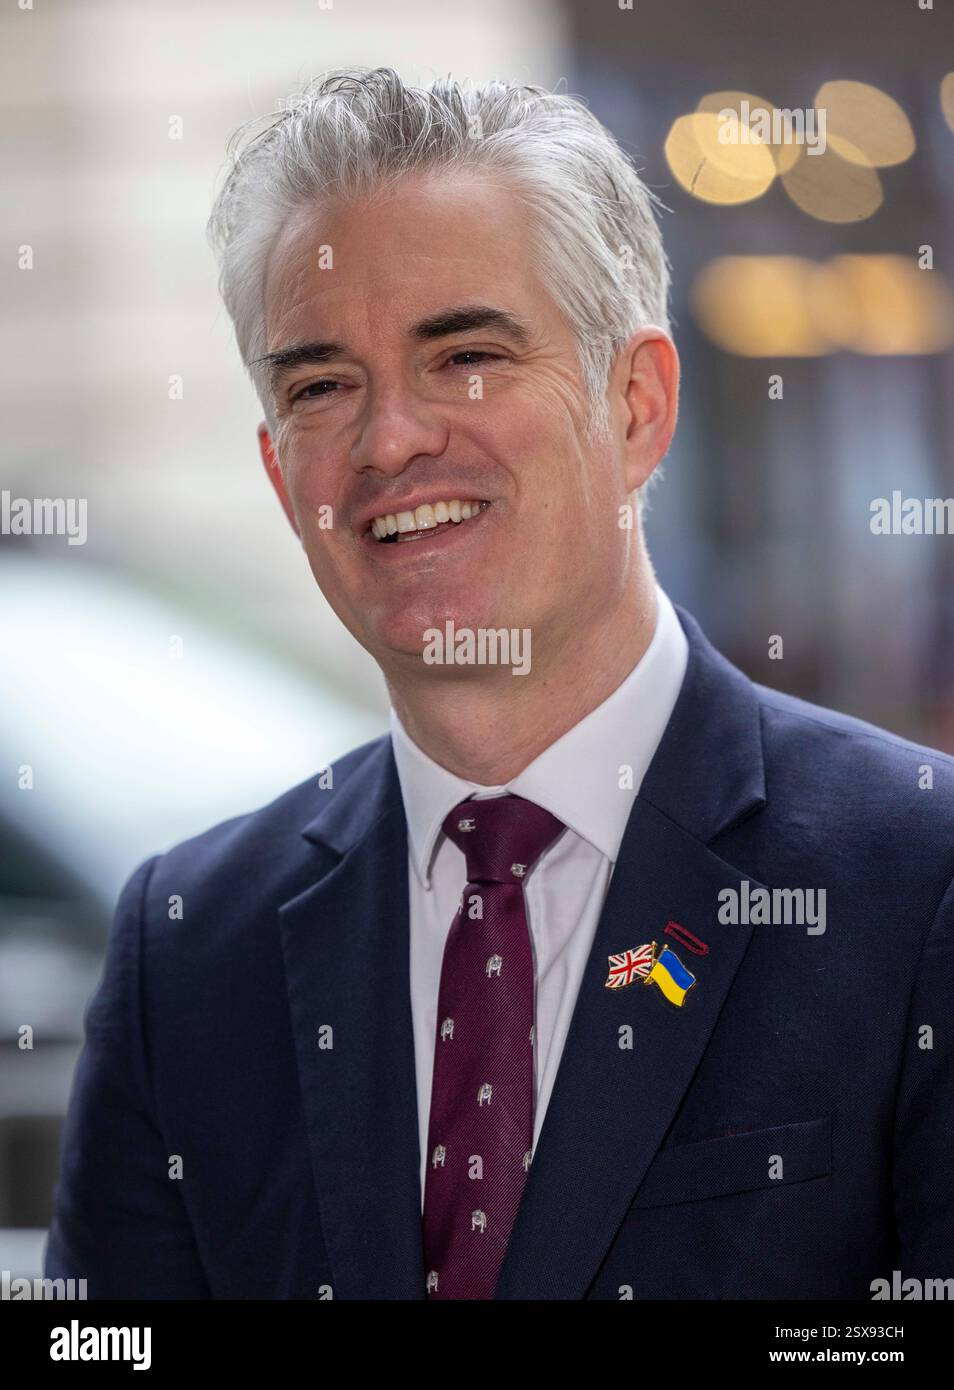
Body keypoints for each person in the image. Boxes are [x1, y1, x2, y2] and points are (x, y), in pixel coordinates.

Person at [46, 66, 954, 1301]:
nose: (388, 440)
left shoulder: (917, 880)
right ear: (277, 471)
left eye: (465, 355)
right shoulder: (189, 951)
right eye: (321, 386)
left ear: (635, 406)